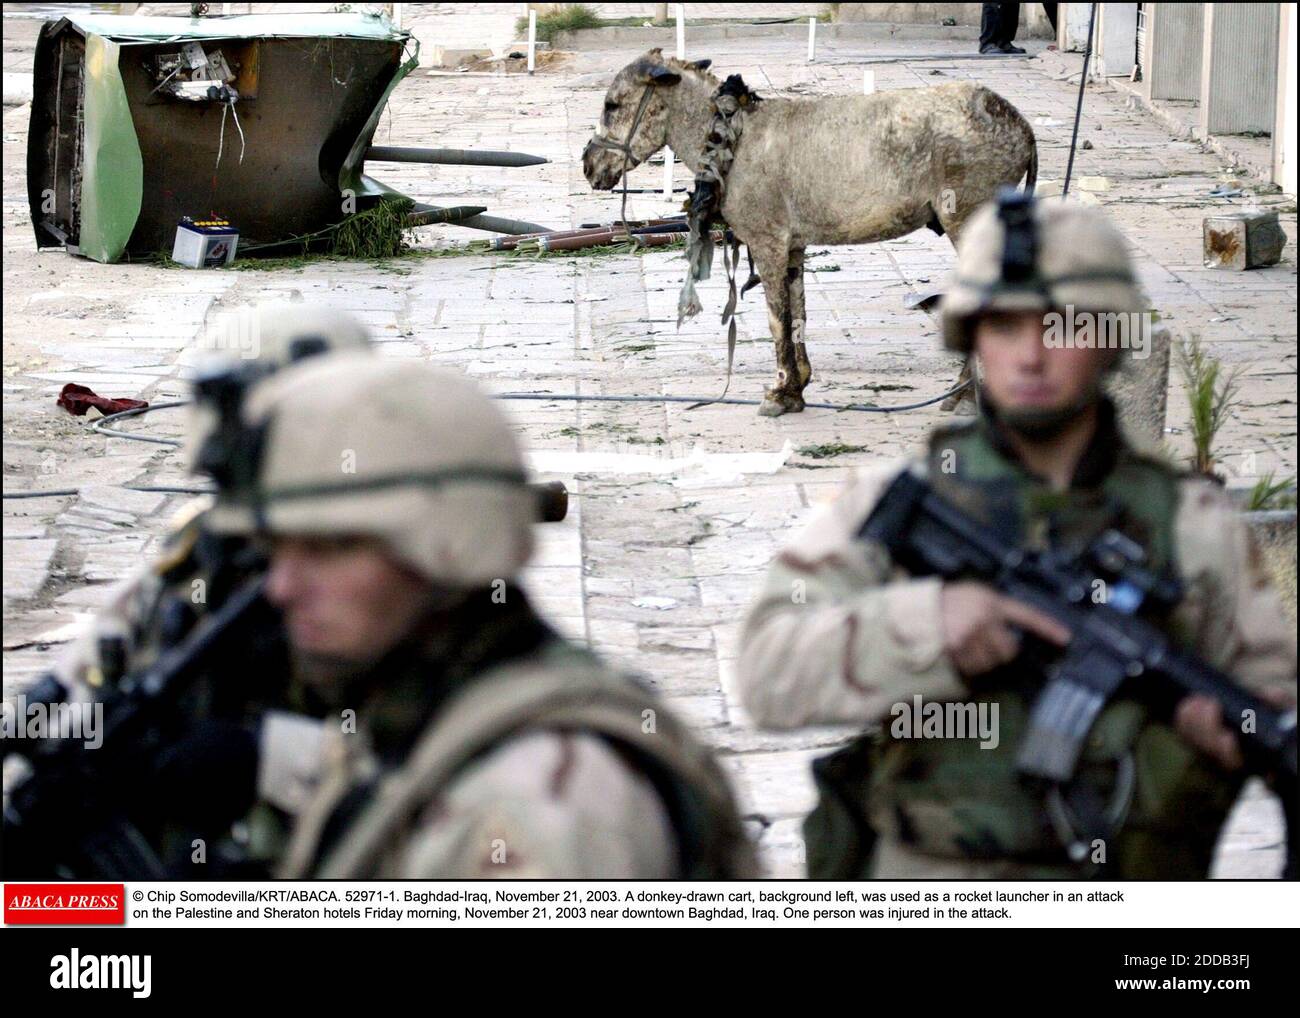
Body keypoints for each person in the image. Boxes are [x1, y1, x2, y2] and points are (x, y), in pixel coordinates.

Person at [735, 194, 1297, 879]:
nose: (1031, 356)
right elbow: (765, 671)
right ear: (971, 336)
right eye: (1004, 325)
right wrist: (925, 626)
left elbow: (1273, 713)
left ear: (1110, 336)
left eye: (1060, 326)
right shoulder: (900, 504)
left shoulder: (1193, 529)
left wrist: (1226, 738)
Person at [205, 353, 755, 878]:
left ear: (452, 544)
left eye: (330, 549)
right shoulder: (427, 703)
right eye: (276, 549)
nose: (281, 587)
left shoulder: (540, 808)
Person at [4, 304, 372, 879]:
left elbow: (448, 763)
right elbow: (105, 651)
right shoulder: (204, 545)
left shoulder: (396, 565)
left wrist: (260, 755)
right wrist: (50, 721)